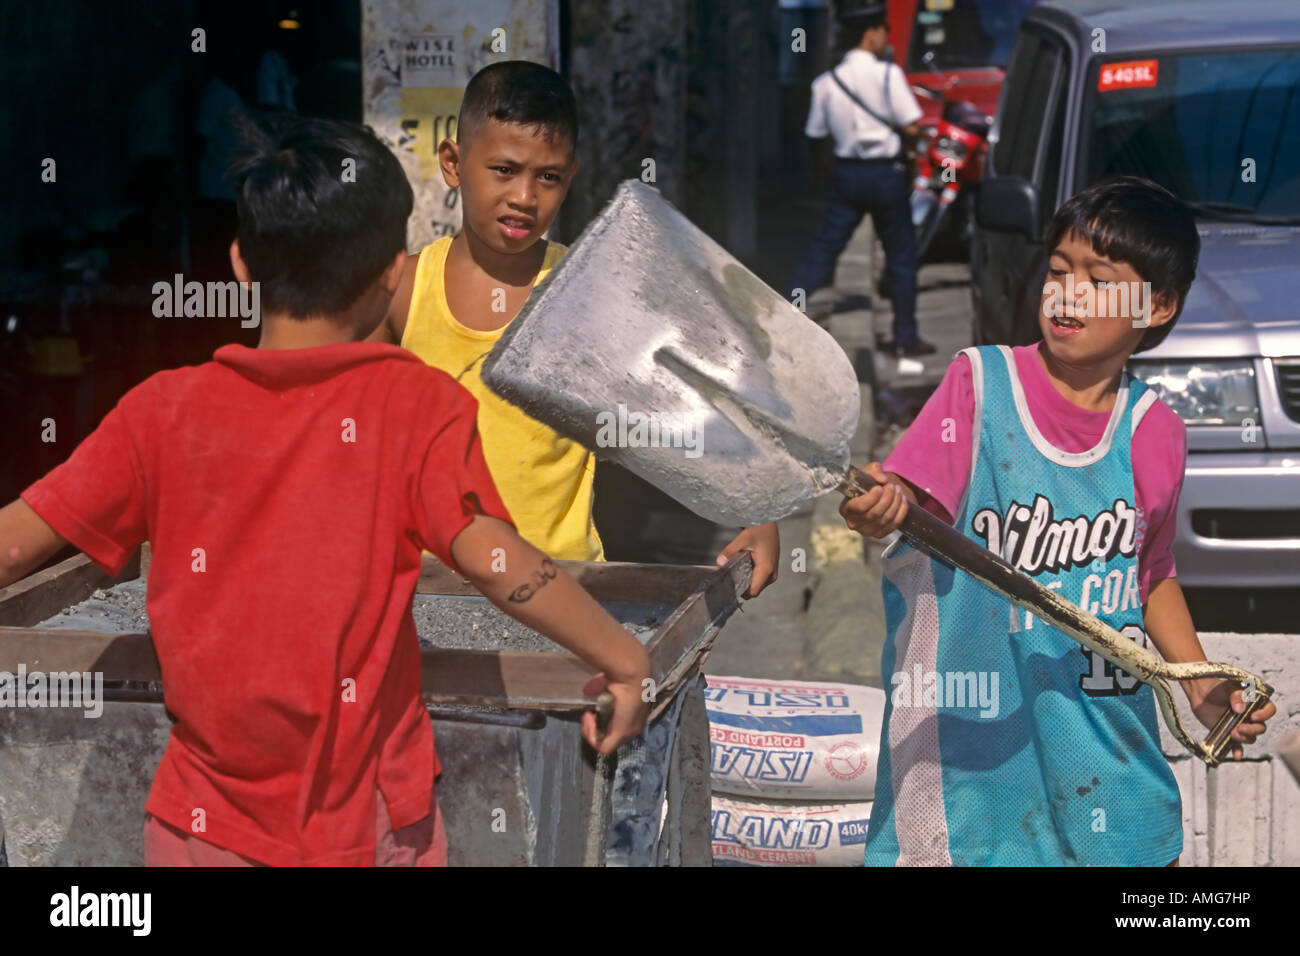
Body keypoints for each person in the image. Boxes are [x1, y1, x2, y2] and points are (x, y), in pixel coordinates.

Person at [0, 112, 651, 867]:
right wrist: (626, 658)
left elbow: (14, 545)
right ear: (392, 273)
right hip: (370, 829)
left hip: (200, 831)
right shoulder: (418, 407)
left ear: (241, 264)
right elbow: (498, 562)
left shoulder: (162, 412)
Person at [840, 177, 1275, 865]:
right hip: (972, 782)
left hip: (1111, 774)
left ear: (1157, 306)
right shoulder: (978, 387)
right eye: (1059, 270)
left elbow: (1151, 573)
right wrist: (878, 504)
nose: (1066, 294)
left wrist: (1198, 684)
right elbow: (901, 504)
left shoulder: (1156, 431)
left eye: (1099, 281)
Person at [368, 60, 781, 597]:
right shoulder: (403, 291)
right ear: (453, 162)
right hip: (426, 590)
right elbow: (349, 432)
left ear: (571, 178)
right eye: (503, 169)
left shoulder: (588, 290)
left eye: (548, 177)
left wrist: (759, 510)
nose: (523, 196)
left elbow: (691, 405)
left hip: (562, 593)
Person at [789, 3, 935, 357]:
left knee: (825, 248)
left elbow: (815, 133)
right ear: (871, 34)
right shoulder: (888, 75)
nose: (886, 39)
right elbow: (912, 125)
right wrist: (914, 146)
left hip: (846, 173)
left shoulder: (826, 82)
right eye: (883, 32)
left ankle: (788, 316)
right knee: (901, 255)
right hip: (886, 173)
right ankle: (904, 337)